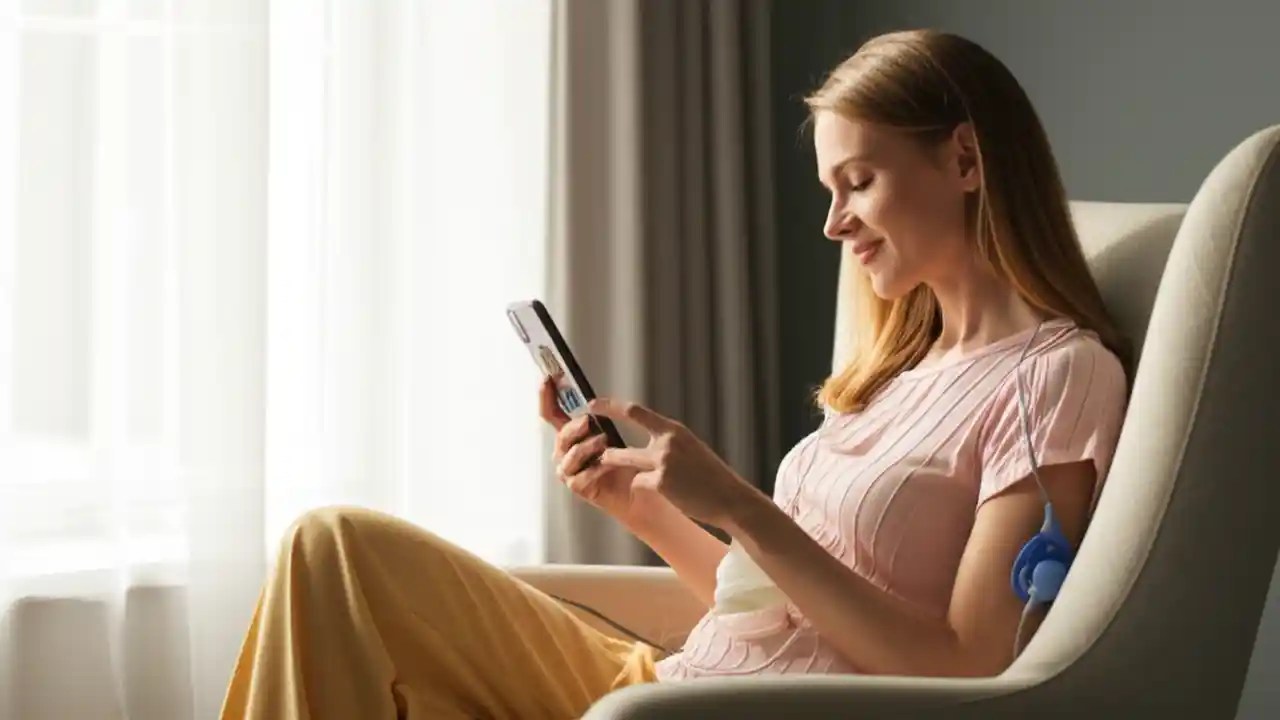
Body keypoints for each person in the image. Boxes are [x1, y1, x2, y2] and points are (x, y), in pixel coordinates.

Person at [220, 29, 1129, 719]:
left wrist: (738, 503)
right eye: (829, 191)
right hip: (679, 679)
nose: (834, 223)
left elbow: (973, 668)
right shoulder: (897, 373)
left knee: (340, 565)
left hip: (713, 710)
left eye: (857, 181)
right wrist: (644, 506)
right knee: (332, 550)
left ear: (966, 159)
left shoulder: (1054, 379)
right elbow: (776, 603)